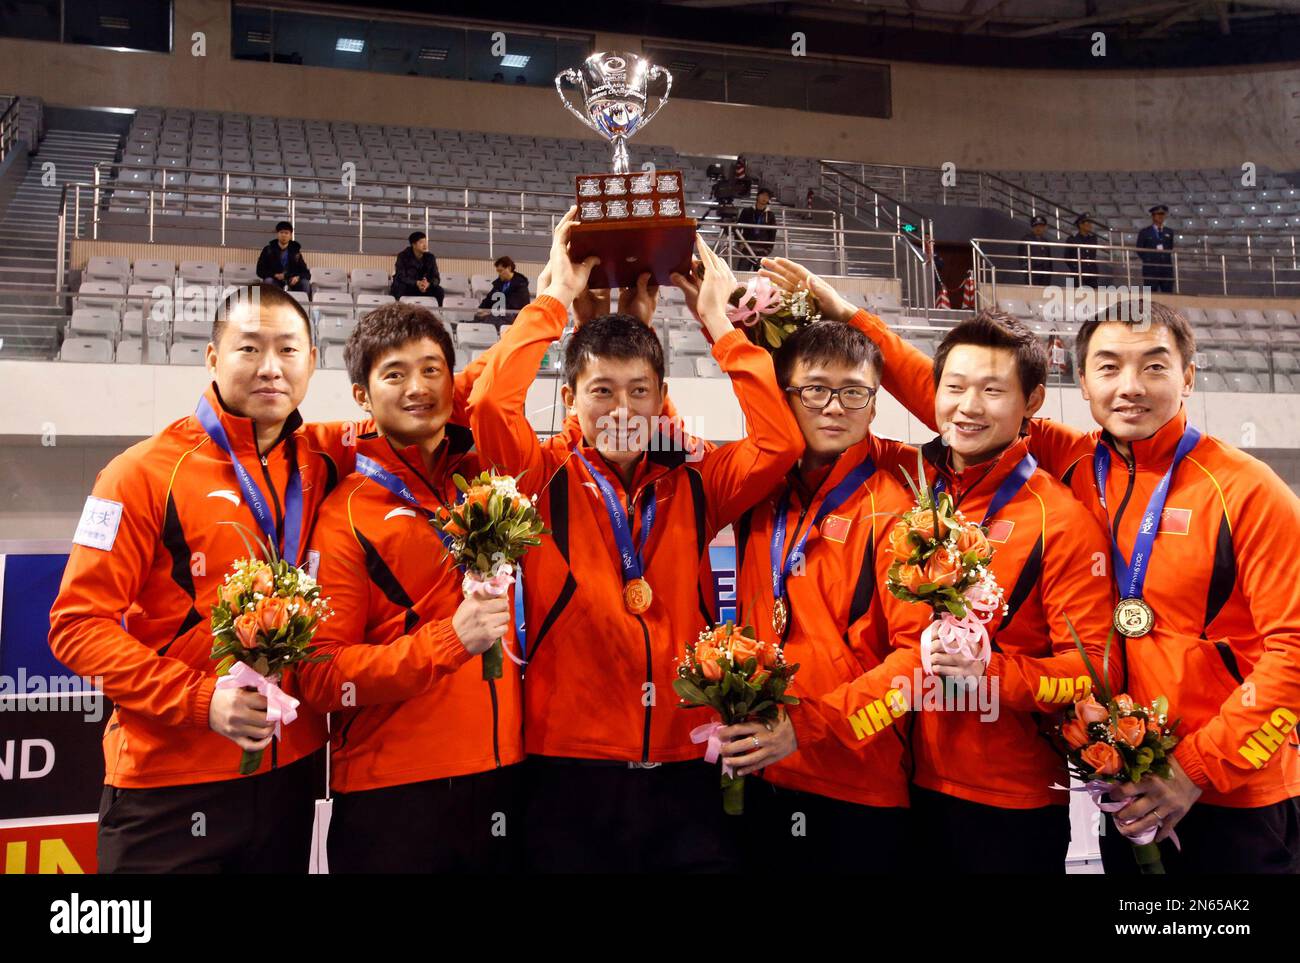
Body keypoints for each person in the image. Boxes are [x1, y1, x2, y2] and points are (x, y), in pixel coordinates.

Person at [752, 256, 1123, 874]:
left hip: (1005, 797)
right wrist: (830, 315)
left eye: (993, 390)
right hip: (910, 777)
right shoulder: (916, 475)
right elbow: (839, 408)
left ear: (1032, 400)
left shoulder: (1061, 517)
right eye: (953, 388)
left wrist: (993, 674)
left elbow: (1093, 674)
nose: (968, 407)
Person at [467, 209, 804, 872]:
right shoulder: (537, 478)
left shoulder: (695, 479)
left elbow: (780, 442)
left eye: (638, 391)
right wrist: (553, 301)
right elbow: (487, 406)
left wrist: (719, 324)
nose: (621, 410)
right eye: (601, 391)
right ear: (569, 396)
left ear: (661, 398)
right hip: (566, 767)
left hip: (685, 766)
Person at [47, 284, 358, 873]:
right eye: (249, 349)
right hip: (167, 785)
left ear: (313, 362)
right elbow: (75, 627)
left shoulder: (323, 459)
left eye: (289, 350)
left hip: (288, 778)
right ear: (213, 357)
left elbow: (431, 403)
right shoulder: (137, 474)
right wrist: (198, 701)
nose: (271, 368)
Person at [1009, 300, 1300, 874]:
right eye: (1109, 366)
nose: (1131, 387)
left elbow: (1295, 651)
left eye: (1155, 367)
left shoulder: (1246, 488)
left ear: (1189, 377)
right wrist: (851, 316)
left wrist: (1192, 770)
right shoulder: (1072, 462)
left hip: (1237, 794)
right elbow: (970, 398)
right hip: (1132, 790)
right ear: (1082, 381)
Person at [293, 303, 522, 873]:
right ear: (362, 398)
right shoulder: (342, 513)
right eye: (394, 374)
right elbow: (321, 677)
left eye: (432, 370)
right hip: (393, 797)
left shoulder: (486, 483)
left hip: (507, 779)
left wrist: (561, 298)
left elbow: (496, 388)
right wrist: (449, 641)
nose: (418, 388)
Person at [714, 321, 931, 872]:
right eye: (814, 389)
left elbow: (921, 665)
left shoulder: (900, 506)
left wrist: (807, 727)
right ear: (784, 396)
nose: (834, 406)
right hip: (759, 774)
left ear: (875, 404)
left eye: (853, 391)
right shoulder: (758, 493)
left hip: (859, 785)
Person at [256, 221, 311, 294]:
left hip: (292, 281)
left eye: (286, 233)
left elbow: (306, 273)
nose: (284, 235)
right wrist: (274, 275)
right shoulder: (268, 250)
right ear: (277, 234)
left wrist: (298, 277)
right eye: (281, 232)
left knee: (305, 283)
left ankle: (303, 305)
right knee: (268, 281)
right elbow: (260, 270)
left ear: (290, 235)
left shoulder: (295, 251)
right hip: (275, 281)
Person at [391, 231, 445, 305]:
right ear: (414, 244)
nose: (425, 245)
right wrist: (417, 283)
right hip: (408, 287)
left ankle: (439, 312)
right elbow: (401, 276)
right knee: (399, 287)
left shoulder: (430, 257)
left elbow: (436, 277)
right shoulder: (403, 256)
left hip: (424, 287)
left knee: (439, 291)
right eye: (421, 242)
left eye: (425, 242)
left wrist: (428, 284)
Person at [735, 188, 777, 271]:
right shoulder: (747, 211)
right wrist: (739, 243)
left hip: (762, 250)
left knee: (761, 276)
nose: (764, 198)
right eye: (763, 195)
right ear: (758, 196)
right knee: (741, 272)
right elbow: (738, 228)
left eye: (767, 196)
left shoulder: (770, 214)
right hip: (747, 247)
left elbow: (773, 232)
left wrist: (769, 249)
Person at [1136, 204, 1175, 293]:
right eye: (1158, 214)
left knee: (1168, 294)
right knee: (1150, 295)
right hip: (1151, 269)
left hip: (1166, 269)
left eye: (1162, 214)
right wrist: (1148, 259)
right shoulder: (1145, 232)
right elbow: (1139, 249)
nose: (1161, 216)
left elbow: (1170, 247)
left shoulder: (1169, 232)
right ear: (1153, 216)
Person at [1066, 213, 1104, 288]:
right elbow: (1067, 257)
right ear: (1080, 224)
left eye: (1090, 223)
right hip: (1077, 273)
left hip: (1091, 273)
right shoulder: (1072, 239)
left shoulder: (1093, 239)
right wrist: (1075, 268)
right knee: (1074, 296)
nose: (1090, 225)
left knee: (1094, 296)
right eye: (1088, 223)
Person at [1020, 215, 1057, 289]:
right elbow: (1022, 258)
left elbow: (1049, 259)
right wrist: (1027, 271)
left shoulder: (1045, 241)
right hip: (1033, 273)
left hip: (1045, 274)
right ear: (1032, 227)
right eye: (1036, 226)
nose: (1038, 228)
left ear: (1044, 228)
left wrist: (1049, 272)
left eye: (1041, 226)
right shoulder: (1026, 239)